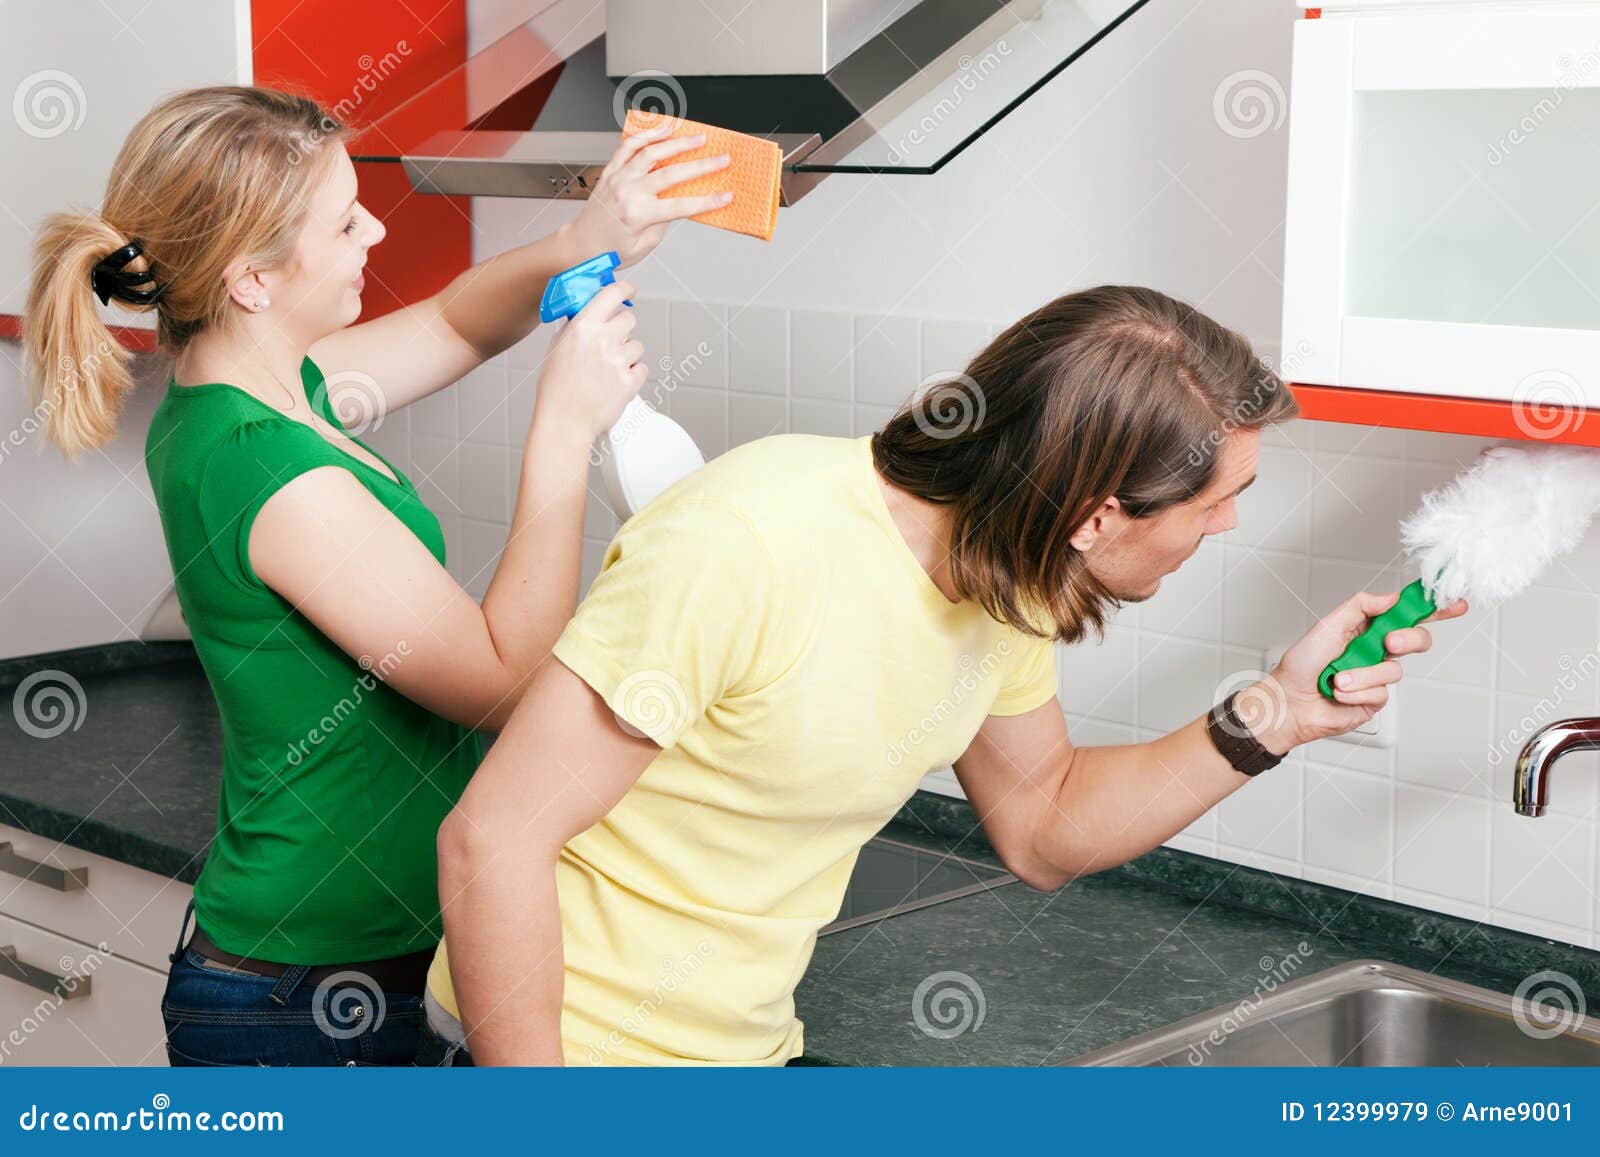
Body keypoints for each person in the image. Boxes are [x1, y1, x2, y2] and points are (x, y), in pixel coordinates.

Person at [421, 285, 1468, 1066]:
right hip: (559, 1050)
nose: (1229, 521)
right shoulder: (748, 537)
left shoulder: (1003, 578)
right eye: (1215, 500)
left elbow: (1045, 822)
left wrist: (1275, 712)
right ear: (1098, 516)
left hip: (737, 1051)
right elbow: (492, 838)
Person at [22, 85, 729, 1066]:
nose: (375, 228)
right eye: (344, 218)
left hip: (360, 968)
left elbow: (453, 324)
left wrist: (581, 237)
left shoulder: (263, 390)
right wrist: (565, 432)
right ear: (252, 280)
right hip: (304, 999)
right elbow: (500, 678)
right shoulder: (269, 468)